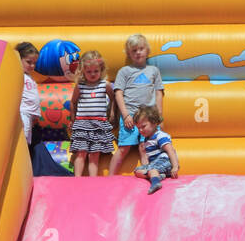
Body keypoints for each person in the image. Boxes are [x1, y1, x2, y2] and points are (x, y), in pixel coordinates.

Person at [109, 35, 165, 175]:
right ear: (129, 53)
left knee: (145, 146)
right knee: (124, 148)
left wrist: (159, 116)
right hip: (130, 116)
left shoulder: (153, 70)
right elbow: (118, 94)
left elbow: (159, 93)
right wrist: (125, 114)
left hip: (148, 117)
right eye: (134, 50)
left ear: (147, 50)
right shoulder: (125, 71)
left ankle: (147, 173)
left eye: (141, 49)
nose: (138, 52)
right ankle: (110, 177)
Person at [70, 50, 115, 177]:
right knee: (81, 152)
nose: (93, 74)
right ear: (83, 71)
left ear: (101, 70)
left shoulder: (104, 85)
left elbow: (113, 98)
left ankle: (93, 180)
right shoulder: (80, 86)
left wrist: (111, 113)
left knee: (94, 154)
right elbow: (73, 102)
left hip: (99, 124)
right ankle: (77, 178)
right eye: (89, 71)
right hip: (82, 123)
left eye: (96, 71)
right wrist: (73, 119)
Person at [133, 106, 179, 195]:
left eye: (143, 126)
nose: (141, 130)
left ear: (154, 123)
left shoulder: (160, 136)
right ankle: (158, 176)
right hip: (155, 164)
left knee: (152, 169)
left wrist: (175, 167)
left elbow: (171, 151)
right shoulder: (147, 139)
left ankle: (155, 183)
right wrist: (146, 167)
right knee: (137, 171)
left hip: (165, 162)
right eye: (138, 128)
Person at [15, 40, 42, 149]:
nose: (32, 65)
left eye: (34, 63)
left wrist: (36, 115)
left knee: (28, 142)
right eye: (29, 62)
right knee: (24, 139)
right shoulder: (18, 75)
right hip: (23, 112)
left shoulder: (29, 77)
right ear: (19, 59)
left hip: (30, 114)